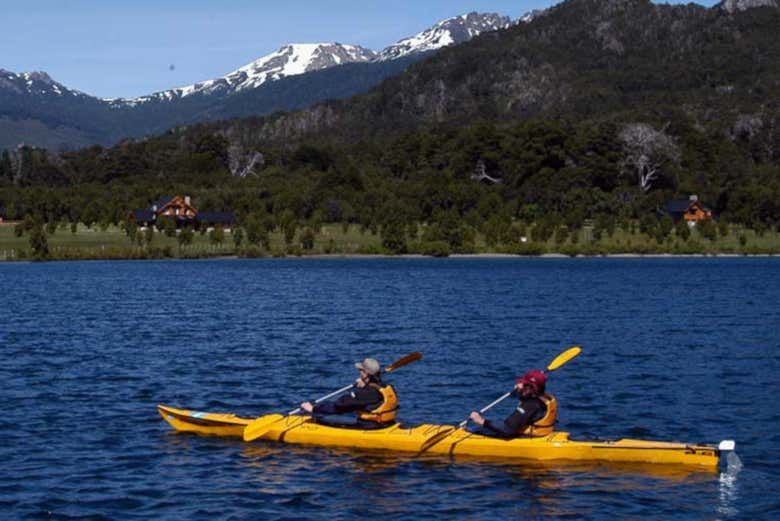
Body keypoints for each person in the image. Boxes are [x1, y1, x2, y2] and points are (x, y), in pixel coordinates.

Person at [300, 357, 399, 430]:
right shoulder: (387, 387)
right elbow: (371, 397)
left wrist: (314, 409)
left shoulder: (366, 393)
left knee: (328, 417)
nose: (359, 372)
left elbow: (340, 405)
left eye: (360, 370)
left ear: (365, 374)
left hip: (370, 427)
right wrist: (364, 386)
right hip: (388, 424)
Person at [468, 369, 557, 439]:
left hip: (529, 437)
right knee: (493, 425)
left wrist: (481, 421)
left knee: (478, 430)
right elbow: (528, 399)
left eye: (524, 384)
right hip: (543, 433)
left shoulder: (530, 405)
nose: (520, 385)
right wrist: (520, 391)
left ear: (531, 388)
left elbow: (507, 429)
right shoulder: (545, 398)